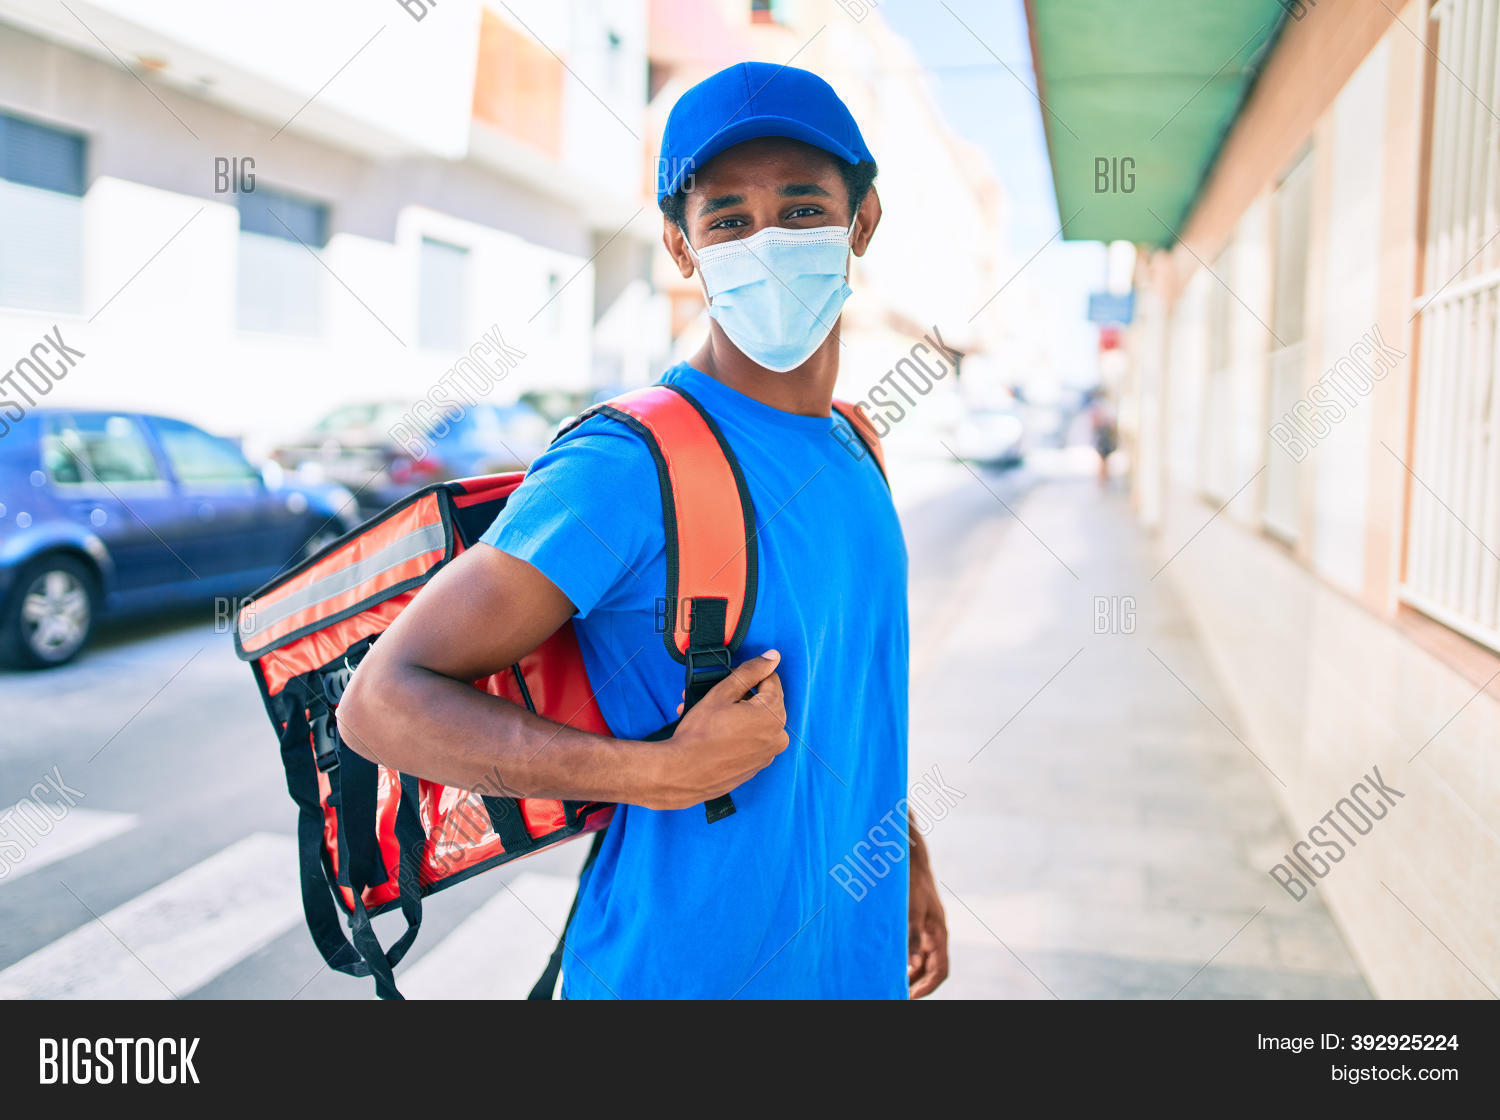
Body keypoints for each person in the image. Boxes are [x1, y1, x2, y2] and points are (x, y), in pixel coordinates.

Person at [338, 62, 947, 1000]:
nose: (769, 242)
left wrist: (903, 853)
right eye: (729, 221)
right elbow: (381, 703)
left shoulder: (858, 445)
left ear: (861, 222)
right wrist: (654, 773)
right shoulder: (628, 465)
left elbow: (852, 695)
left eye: (801, 209)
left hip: (852, 971)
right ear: (680, 245)